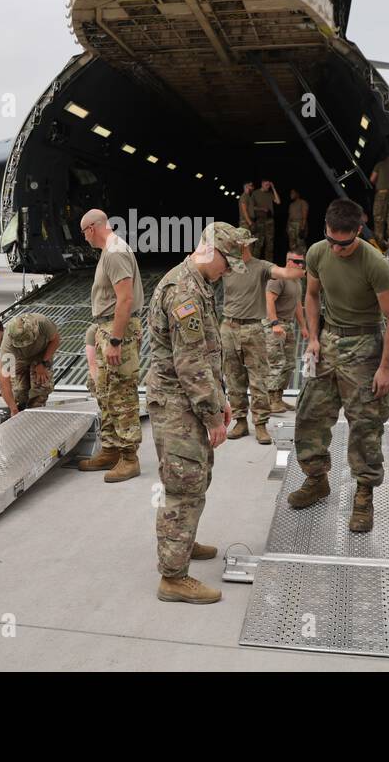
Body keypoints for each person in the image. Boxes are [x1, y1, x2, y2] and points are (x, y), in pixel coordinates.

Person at [290, 199, 389, 533]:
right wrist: (312, 335)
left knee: (365, 424)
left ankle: (364, 496)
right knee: (309, 414)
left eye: (345, 243)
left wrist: (385, 367)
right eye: (332, 240)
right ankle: (316, 479)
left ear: (358, 230)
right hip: (327, 342)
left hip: (365, 345)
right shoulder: (317, 252)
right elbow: (311, 294)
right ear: (325, 229)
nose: (338, 249)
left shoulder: (374, 262)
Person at [146, 222, 240, 604]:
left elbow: (205, 354)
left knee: (196, 479)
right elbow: (190, 364)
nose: (229, 270)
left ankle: (182, 541)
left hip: (190, 399)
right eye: (228, 262)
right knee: (183, 487)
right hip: (177, 404)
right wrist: (212, 416)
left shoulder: (198, 284)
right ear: (211, 250)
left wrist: (220, 399)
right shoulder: (183, 291)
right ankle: (173, 577)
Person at [77, 210, 145, 482]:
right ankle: (111, 449)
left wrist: (116, 340)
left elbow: (125, 300)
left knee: (121, 394)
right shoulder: (110, 251)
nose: (85, 238)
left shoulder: (115, 252)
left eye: (84, 233)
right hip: (107, 329)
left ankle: (129, 457)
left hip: (118, 333)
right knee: (105, 391)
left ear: (92, 228)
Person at [221, 231, 305, 443]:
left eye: (239, 244)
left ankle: (260, 424)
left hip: (253, 327)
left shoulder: (261, 267)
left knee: (258, 378)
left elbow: (284, 273)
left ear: (246, 245)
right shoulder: (226, 266)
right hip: (229, 327)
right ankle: (240, 421)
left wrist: (302, 269)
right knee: (233, 378)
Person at [265, 251, 307, 413]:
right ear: (288, 262)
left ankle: (278, 398)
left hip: (288, 324)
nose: (300, 265)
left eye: (302, 262)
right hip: (275, 324)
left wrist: (303, 326)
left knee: (289, 363)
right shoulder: (279, 278)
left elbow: (297, 305)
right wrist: (274, 323)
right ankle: (270, 399)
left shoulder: (296, 281)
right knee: (276, 362)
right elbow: (269, 300)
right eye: (296, 262)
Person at [0, 313, 61, 415]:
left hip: (42, 354)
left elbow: (56, 340)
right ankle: (22, 408)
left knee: (41, 386)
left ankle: (36, 412)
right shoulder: (8, 344)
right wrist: (13, 408)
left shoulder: (43, 322)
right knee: (19, 391)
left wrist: (42, 362)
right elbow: (3, 379)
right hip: (20, 358)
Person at [369, 152, 389, 253]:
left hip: (382, 193)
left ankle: (380, 245)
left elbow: (372, 179)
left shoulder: (380, 165)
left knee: (379, 218)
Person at [249, 179, 280, 261]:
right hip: (260, 221)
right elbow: (251, 207)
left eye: (269, 185)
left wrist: (273, 188)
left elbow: (278, 201)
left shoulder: (270, 193)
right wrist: (261, 209)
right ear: (262, 184)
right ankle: (254, 262)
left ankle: (269, 264)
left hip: (270, 221)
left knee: (270, 243)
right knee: (259, 243)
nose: (268, 187)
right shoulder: (255, 193)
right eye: (267, 185)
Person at [286, 190, 309, 254]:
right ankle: (294, 260)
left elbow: (305, 216)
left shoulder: (303, 202)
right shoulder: (291, 205)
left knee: (300, 243)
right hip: (291, 225)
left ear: (297, 194)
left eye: (293, 193)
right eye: (290, 193)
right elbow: (289, 216)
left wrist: (302, 228)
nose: (291, 195)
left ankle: (303, 261)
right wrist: (287, 226)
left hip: (299, 224)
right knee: (292, 243)